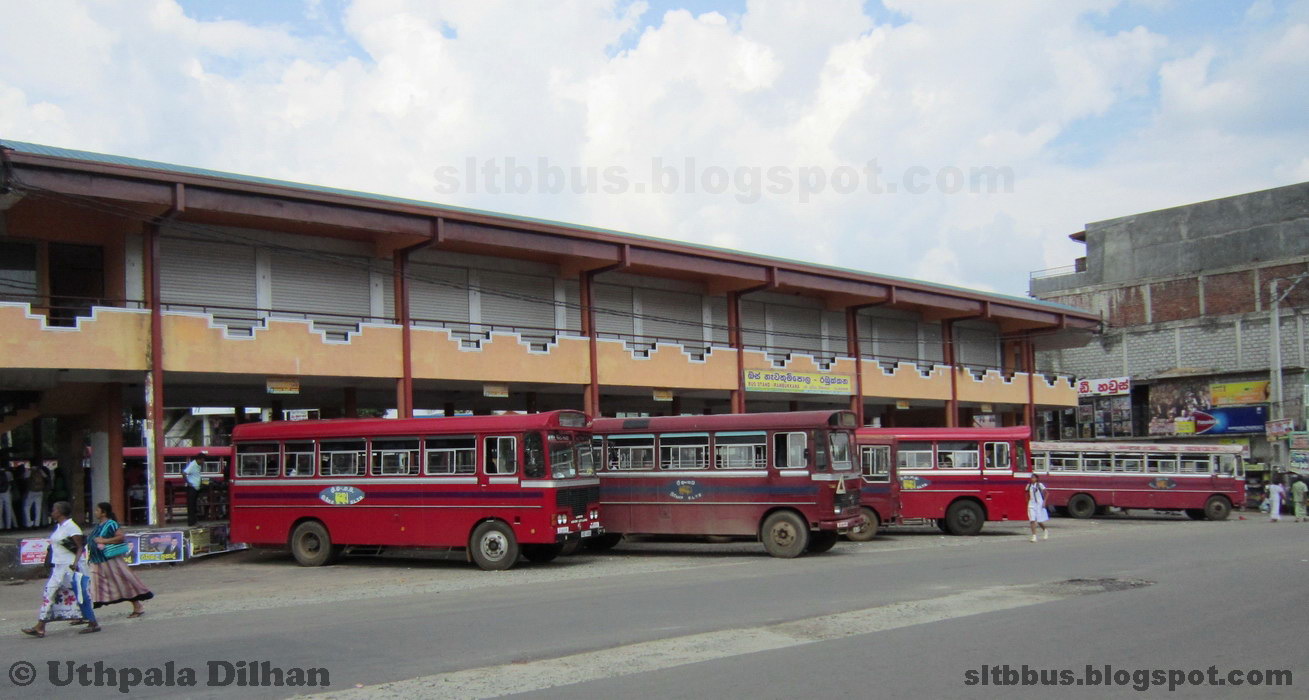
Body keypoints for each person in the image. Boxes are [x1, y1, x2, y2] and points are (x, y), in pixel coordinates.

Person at [21, 501, 98, 637]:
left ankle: (93, 622)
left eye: (54, 510)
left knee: (80, 595)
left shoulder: (71, 527)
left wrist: (74, 564)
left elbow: (80, 546)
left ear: (60, 512)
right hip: (59, 567)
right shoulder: (60, 527)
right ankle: (40, 626)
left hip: (70, 567)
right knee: (49, 593)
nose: (52, 512)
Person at [87, 502, 153, 617]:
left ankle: (137, 606)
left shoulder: (111, 524)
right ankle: (85, 614)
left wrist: (104, 541)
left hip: (110, 561)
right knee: (96, 586)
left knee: (122, 582)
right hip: (97, 561)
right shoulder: (99, 525)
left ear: (104, 513)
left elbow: (120, 537)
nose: (95, 512)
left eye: (97, 510)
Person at [23, 463, 50, 528]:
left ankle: (28, 524)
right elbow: (46, 477)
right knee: (38, 507)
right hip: (40, 491)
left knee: (26, 507)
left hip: (31, 491)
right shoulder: (40, 471)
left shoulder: (29, 471)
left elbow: (24, 478)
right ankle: (37, 524)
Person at [183, 451, 206, 526]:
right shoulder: (193, 465)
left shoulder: (198, 465)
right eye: (202, 460)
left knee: (194, 505)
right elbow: (184, 473)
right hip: (192, 488)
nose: (203, 462)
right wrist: (188, 483)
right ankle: (191, 522)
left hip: (196, 488)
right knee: (191, 506)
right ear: (199, 459)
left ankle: (194, 521)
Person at [1026, 473, 1050, 542]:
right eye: (1031, 478)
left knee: (1039, 520)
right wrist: (1027, 502)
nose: (1032, 479)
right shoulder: (1029, 486)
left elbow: (1047, 493)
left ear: (1036, 479)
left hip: (1039, 503)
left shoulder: (1040, 485)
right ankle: (1034, 536)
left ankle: (1045, 530)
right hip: (1031, 503)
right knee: (1032, 520)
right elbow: (1026, 494)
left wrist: (1044, 502)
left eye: (1034, 478)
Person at [0, 457, 15, 530]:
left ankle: (1, 526)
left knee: (0, 510)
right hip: (7, 492)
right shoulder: (8, 473)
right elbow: (12, 482)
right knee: (8, 509)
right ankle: (8, 526)